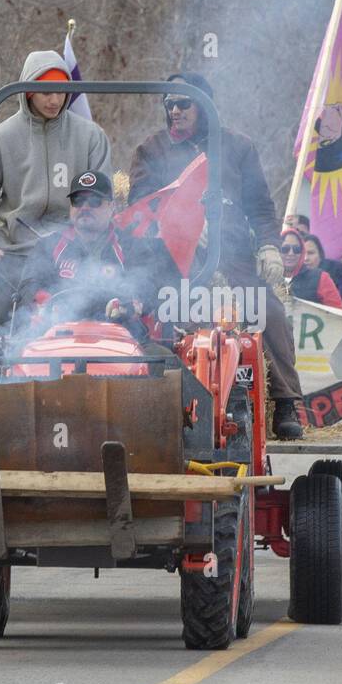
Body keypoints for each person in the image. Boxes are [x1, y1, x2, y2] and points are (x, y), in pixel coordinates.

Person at [128, 71, 303, 438]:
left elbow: (259, 206)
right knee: (147, 315)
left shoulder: (237, 148)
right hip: (173, 265)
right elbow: (140, 208)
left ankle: (286, 403)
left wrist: (270, 244)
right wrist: (180, 223)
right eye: (169, 104)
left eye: (183, 104)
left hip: (234, 258)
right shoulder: (151, 150)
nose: (174, 111)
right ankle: (147, 401)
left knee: (269, 311)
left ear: (204, 105)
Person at [0, 50, 113, 328]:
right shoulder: (0, 138)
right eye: (45, 92)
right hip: (14, 254)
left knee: (108, 314)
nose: (55, 100)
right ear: (28, 92)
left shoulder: (91, 136)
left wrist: (93, 246)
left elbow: (103, 199)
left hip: (74, 252)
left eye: (61, 92)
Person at [16, 170, 179, 341]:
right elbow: (27, 289)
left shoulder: (132, 247)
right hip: (55, 341)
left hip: (121, 341)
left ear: (112, 207)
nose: (85, 207)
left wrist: (130, 304)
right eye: (77, 201)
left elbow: (148, 287)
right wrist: (46, 302)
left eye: (95, 201)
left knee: (163, 359)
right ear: (71, 207)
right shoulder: (48, 246)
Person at [279, 228, 341, 308]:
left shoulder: (321, 278)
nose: (291, 253)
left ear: (302, 252)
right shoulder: (265, 278)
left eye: (296, 249)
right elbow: (260, 314)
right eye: (285, 249)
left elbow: (338, 314)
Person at [302, 232, 342, 301]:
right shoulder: (294, 274)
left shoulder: (337, 268)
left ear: (320, 254)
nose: (306, 258)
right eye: (302, 254)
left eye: (311, 253)